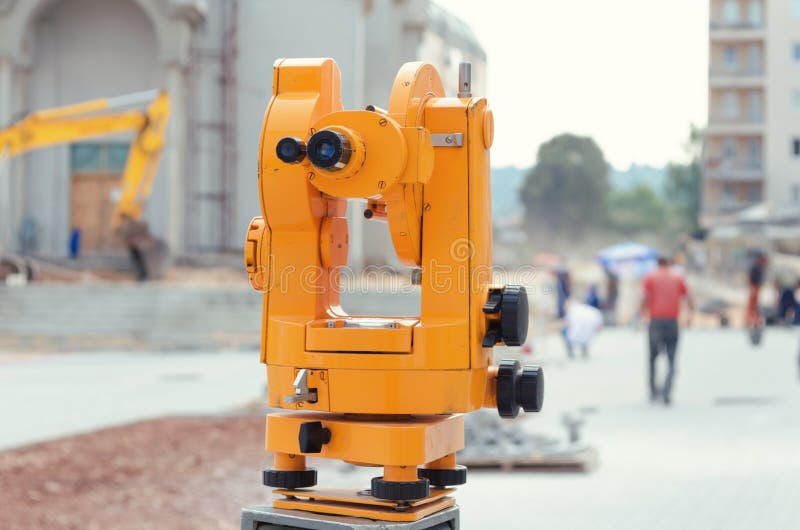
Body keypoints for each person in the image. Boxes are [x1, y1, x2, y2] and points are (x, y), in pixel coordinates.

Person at [641, 256, 694, 405]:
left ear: (657, 263)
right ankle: (667, 391)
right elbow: (688, 297)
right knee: (671, 359)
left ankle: (652, 391)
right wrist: (690, 315)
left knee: (652, 358)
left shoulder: (650, 277)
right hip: (672, 321)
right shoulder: (678, 277)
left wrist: (642, 314)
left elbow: (645, 297)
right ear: (669, 263)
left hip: (655, 321)